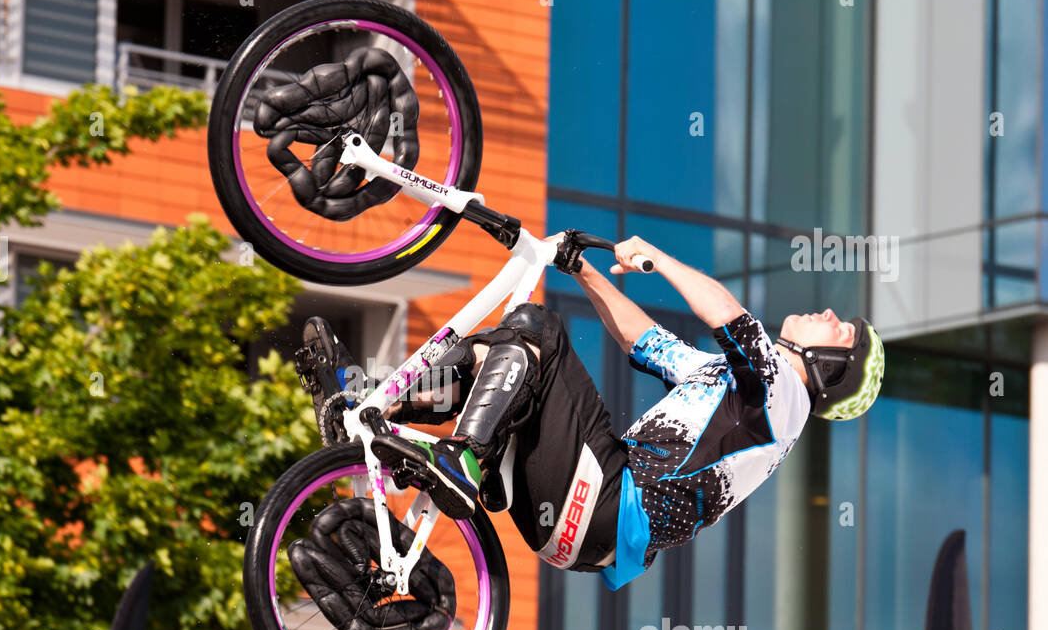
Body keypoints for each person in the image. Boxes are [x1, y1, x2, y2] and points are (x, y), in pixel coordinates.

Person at [308, 235, 885, 593]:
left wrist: (657, 258)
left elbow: (730, 318)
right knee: (500, 363)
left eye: (841, 329)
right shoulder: (746, 394)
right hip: (581, 523)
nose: (830, 313)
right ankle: (362, 402)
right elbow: (646, 343)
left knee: (538, 332)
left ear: (832, 365)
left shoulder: (785, 396)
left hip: (609, 500)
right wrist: (581, 268)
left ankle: (461, 461)